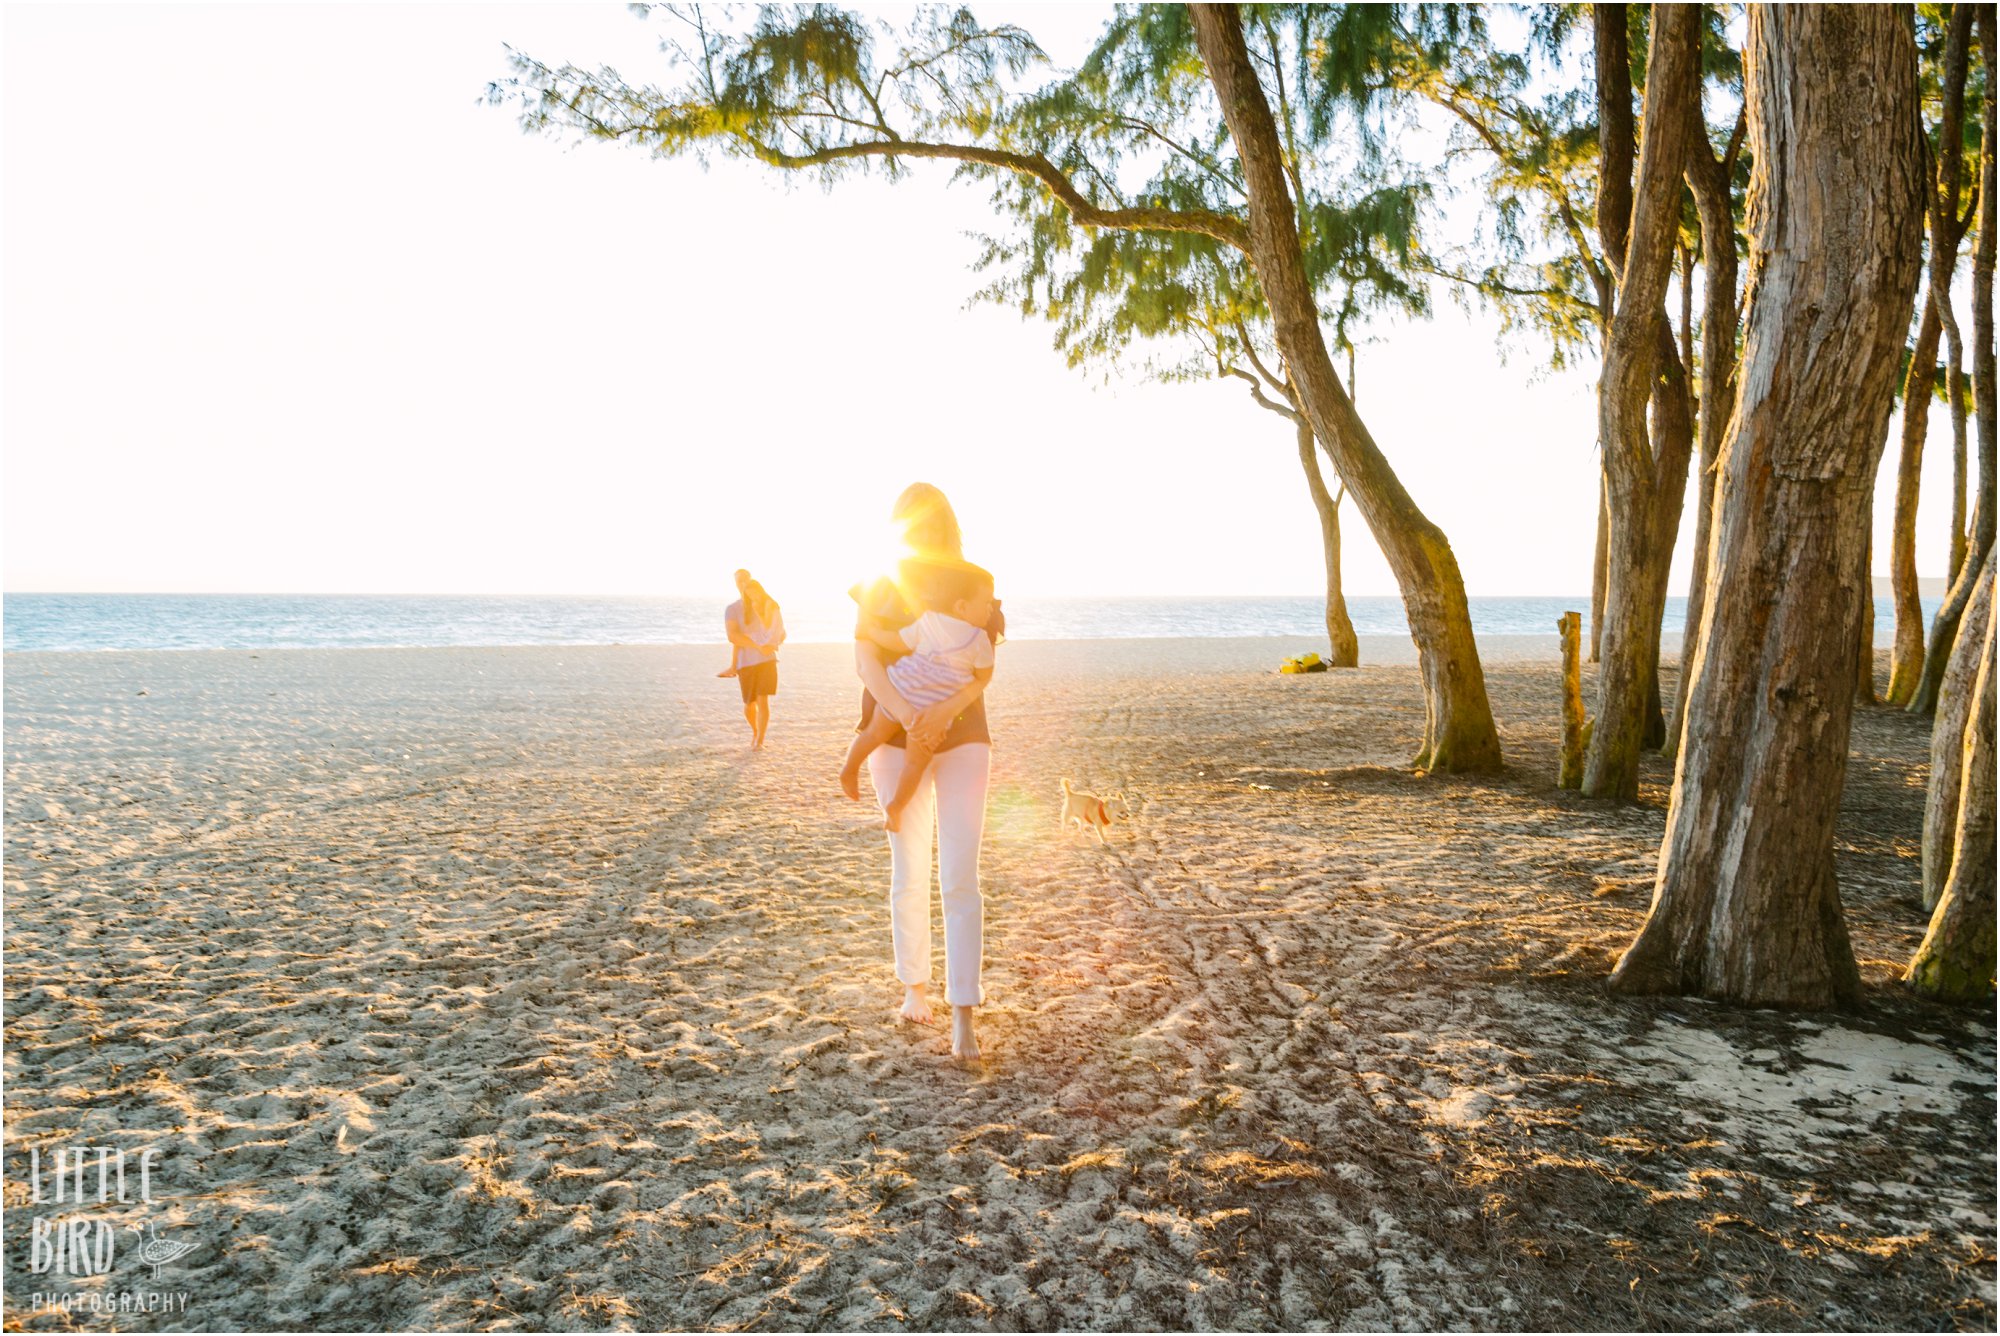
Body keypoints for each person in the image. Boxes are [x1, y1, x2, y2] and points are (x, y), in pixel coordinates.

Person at [852, 483, 1003, 1061]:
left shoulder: (976, 582)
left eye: (929, 525)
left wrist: (939, 712)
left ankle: (963, 1009)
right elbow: (865, 658)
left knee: (961, 874)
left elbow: (985, 670)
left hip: (964, 736)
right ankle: (915, 987)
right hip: (893, 733)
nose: (922, 536)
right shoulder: (880, 580)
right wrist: (906, 712)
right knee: (909, 869)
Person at [841, 561, 996, 832]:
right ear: (961, 606)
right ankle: (896, 807)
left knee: (873, 734)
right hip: (929, 710)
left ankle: (850, 768)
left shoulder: (929, 621)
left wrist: (872, 632)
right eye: (985, 603)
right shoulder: (979, 639)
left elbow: (897, 641)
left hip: (901, 687)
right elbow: (983, 675)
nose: (990, 609)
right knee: (915, 764)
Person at [723, 571, 784, 749]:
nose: (742, 583)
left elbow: (778, 629)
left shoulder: (766, 605)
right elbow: (733, 637)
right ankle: (755, 731)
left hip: (767, 660)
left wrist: (775, 640)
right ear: (735, 583)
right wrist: (758, 645)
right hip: (746, 662)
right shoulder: (733, 609)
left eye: (745, 580)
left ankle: (760, 739)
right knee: (749, 704)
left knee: (763, 699)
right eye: (739, 581)